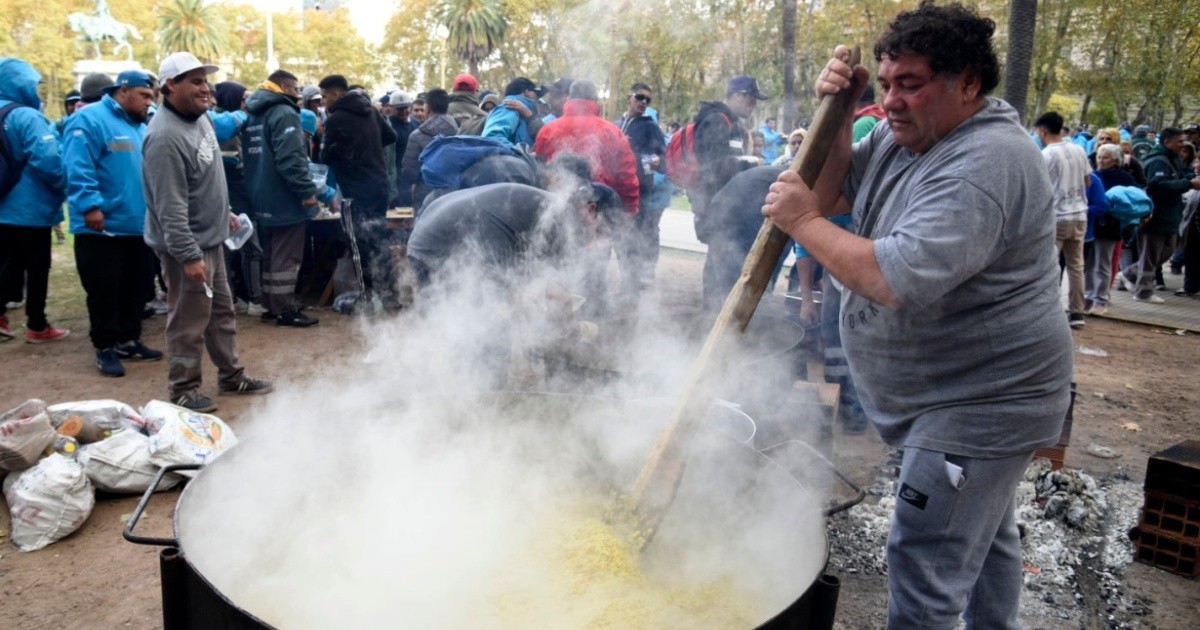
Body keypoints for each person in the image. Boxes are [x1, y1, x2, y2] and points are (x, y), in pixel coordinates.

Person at [761, 4, 1073, 627]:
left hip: (981, 403)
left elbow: (892, 277)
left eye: (912, 84)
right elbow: (830, 196)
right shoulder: (906, 139)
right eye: (886, 84)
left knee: (926, 562)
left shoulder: (985, 162)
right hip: (954, 394)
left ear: (967, 84)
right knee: (983, 539)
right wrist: (842, 117)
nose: (893, 100)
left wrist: (799, 222)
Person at [143, 52, 273, 412]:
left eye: (206, 81)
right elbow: (169, 206)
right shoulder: (165, 137)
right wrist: (188, 256)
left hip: (211, 240)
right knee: (188, 321)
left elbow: (202, 180)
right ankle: (183, 390)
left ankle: (232, 376)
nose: (205, 89)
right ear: (171, 85)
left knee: (221, 315)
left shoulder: (199, 120)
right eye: (195, 81)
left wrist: (224, 211)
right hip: (188, 248)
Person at [62, 69, 163, 376]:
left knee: (138, 287)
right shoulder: (88, 119)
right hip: (102, 228)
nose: (150, 102)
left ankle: (129, 339)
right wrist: (90, 206)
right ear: (123, 91)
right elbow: (77, 166)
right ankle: (105, 347)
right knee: (105, 290)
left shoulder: (140, 125)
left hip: (138, 224)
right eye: (144, 96)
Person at [534, 79, 640, 315]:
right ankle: (590, 320)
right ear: (595, 101)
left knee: (557, 262)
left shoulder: (548, 129)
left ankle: (556, 317)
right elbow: (627, 175)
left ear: (568, 99)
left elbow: (540, 171)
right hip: (596, 212)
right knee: (594, 268)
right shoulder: (612, 131)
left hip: (556, 209)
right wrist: (629, 211)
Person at [242, 69, 329, 328]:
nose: (298, 94)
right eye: (295, 89)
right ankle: (285, 309)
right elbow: (291, 160)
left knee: (271, 254)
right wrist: (307, 192)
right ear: (284, 88)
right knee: (287, 256)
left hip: (261, 194)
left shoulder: (254, 113)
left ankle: (271, 305)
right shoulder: (283, 112)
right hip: (285, 197)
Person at [0, 57, 70, 344]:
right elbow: (50, 161)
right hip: (30, 208)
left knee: (6, 263)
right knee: (37, 268)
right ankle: (37, 326)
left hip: (3, 205)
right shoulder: (26, 116)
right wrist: (66, 185)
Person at [319, 74, 400, 307]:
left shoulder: (336, 119)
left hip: (355, 191)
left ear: (336, 93)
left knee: (359, 244)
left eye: (324, 96)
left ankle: (366, 298)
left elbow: (327, 156)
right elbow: (390, 136)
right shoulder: (371, 110)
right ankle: (389, 296)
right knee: (380, 239)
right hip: (379, 185)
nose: (323, 101)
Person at [1118, 127, 1200, 303]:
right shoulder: (1158, 162)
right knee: (1151, 255)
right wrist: (1189, 184)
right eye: (1179, 141)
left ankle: (1129, 273)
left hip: (1171, 216)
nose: (1182, 144)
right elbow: (1159, 187)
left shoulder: (1174, 159)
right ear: (1167, 142)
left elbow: (1177, 178)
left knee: (1166, 252)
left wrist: (1188, 178)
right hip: (1155, 216)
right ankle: (1143, 292)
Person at [1035, 110, 1092, 328]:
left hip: (1057, 216)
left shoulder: (1047, 154)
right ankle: (1077, 312)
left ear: (1043, 130)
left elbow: (1041, 187)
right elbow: (1088, 181)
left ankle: (1047, 310)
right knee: (1076, 265)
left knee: (1049, 264)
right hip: (1080, 214)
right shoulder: (1078, 150)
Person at [615, 82, 672, 288]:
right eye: (640, 97)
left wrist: (647, 162)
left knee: (636, 237)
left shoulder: (650, 127)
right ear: (628, 97)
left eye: (648, 100)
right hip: (616, 193)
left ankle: (633, 285)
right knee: (619, 239)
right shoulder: (617, 124)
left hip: (640, 194)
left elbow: (665, 163)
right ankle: (627, 281)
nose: (644, 102)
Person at [1087, 143, 1139, 315]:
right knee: (1088, 264)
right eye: (1099, 157)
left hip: (1110, 227)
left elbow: (1133, 201)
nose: (1101, 160)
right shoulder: (1091, 176)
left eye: (1106, 157)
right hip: (1090, 225)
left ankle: (1101, 299)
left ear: (1115, 160)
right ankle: (1088, 296)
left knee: (1103, 263)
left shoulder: (1124, 178)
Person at [401, 88, 457, 210]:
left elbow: (409, 172)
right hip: (454, 194)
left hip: (425, 195)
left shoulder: (417, 135)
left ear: (428, 108)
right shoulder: (458, 131)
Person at [481, 77, 545, 149]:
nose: (537, 97)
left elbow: (544, 135)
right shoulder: (510, 107)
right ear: (527, 92)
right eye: (535, 93)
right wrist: (521, 154)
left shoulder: (524, 111)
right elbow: (492, 137)